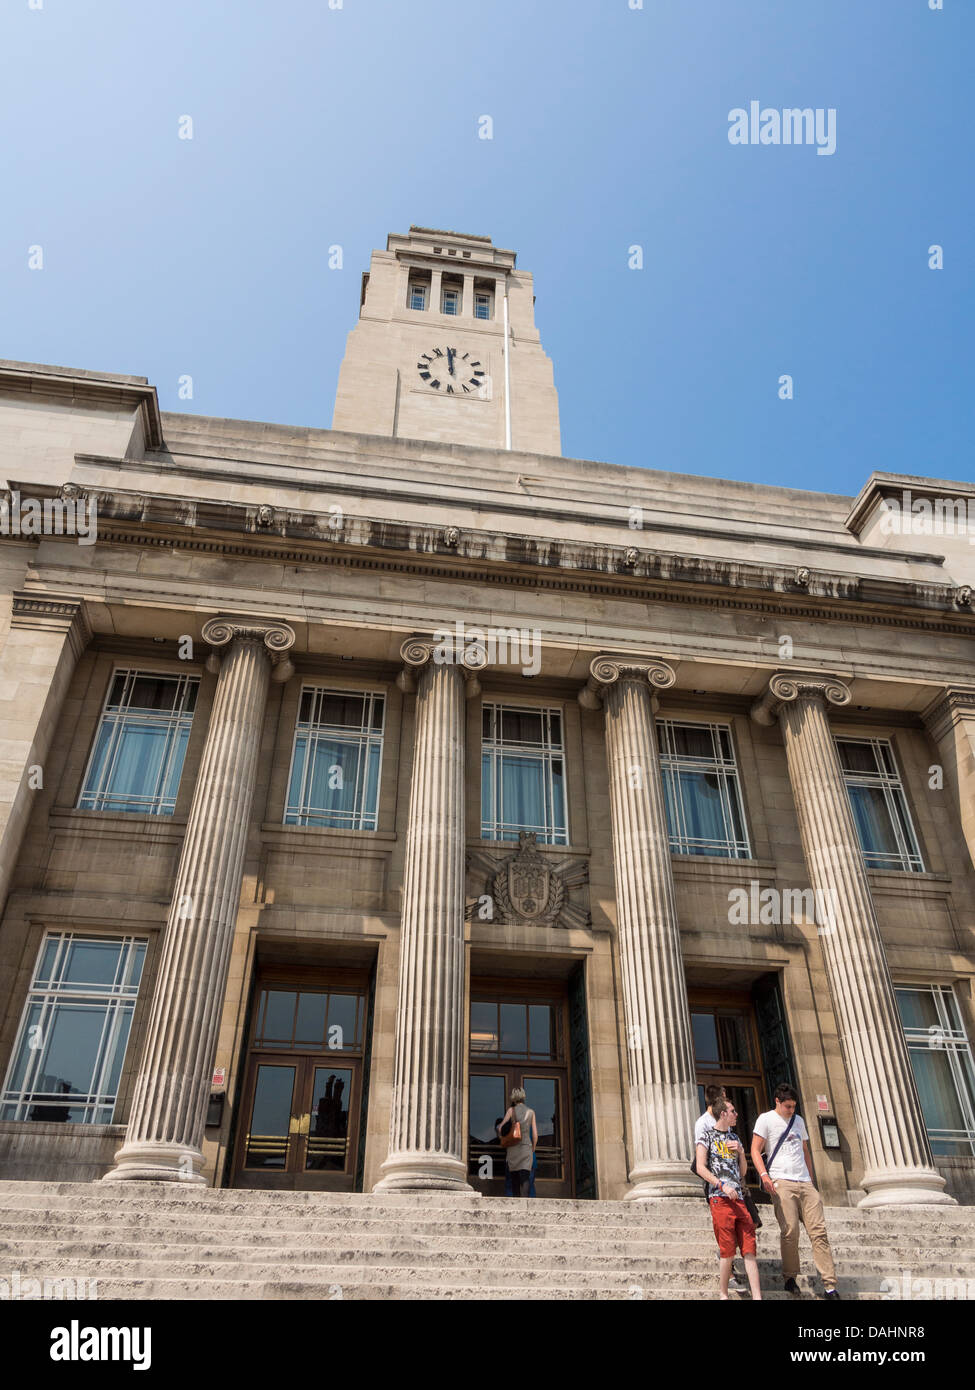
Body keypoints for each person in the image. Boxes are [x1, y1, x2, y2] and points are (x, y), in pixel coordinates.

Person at [751, 1084, 839, 1299]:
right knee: (790, 1232)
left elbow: (805, 1150)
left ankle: (830, 1285)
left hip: (805, 1182)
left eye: (794, 1106)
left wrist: (811, 1180)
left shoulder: (798, 1121)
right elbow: (755, 1149)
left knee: (819, 1232)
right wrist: (764, 1176)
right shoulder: (766, 1119)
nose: (791, 1110)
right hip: (782, 1181)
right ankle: (790, 1278)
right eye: (788, 1106)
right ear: (777, 1102)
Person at [696, 1099, 762, 1301]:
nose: (736, 1114)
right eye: (733, 1111)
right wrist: (721, 1185)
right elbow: (700, 1167)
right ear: (723, 1113)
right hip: (719, 1198)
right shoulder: (706, 1137)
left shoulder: (735, 1138)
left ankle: (758, 1296)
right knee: (727, 1249)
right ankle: (723, 1293)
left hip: (739, 1199)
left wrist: (742, 1153)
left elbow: (742, 1172)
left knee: (749, 1248)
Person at [695, 1085, 746, 1292]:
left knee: (733, 1228)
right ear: (719, 1103)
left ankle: (727, 1260)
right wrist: (718, 1183)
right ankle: (730, 1273)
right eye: (726, 1099)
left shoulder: (728, 1127)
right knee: (723, 1228)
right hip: (716, 1186)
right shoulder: (703, 1124)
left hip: (732, 1185)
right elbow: (703, 1159)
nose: (732, 1106)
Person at [498, 1087, 537, 1197]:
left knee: (514, 1178)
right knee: (525, 1178)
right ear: (523, 1097)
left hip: (513, 1148)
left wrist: (502, 1138)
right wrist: (533, 1147)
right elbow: (535, 1134)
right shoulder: (531, 1112)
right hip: (526, 1148)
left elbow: (500, 1128)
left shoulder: (511, 1111)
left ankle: (516, 1202)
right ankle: (525, 1203)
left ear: (513, 1098)